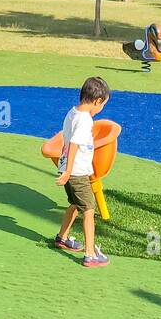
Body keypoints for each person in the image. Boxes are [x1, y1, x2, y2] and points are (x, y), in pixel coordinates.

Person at [54, 76, 112, 268]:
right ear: (97, 101)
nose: (101, 109)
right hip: (76, 172)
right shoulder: (85, 120)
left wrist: (65, 170)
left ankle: (62, 237)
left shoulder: (72, 113)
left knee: (74, 204)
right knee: (88, 210)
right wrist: (69, 171)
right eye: (102, 105)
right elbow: (74, 145)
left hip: (71, 170)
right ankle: (89, 254)